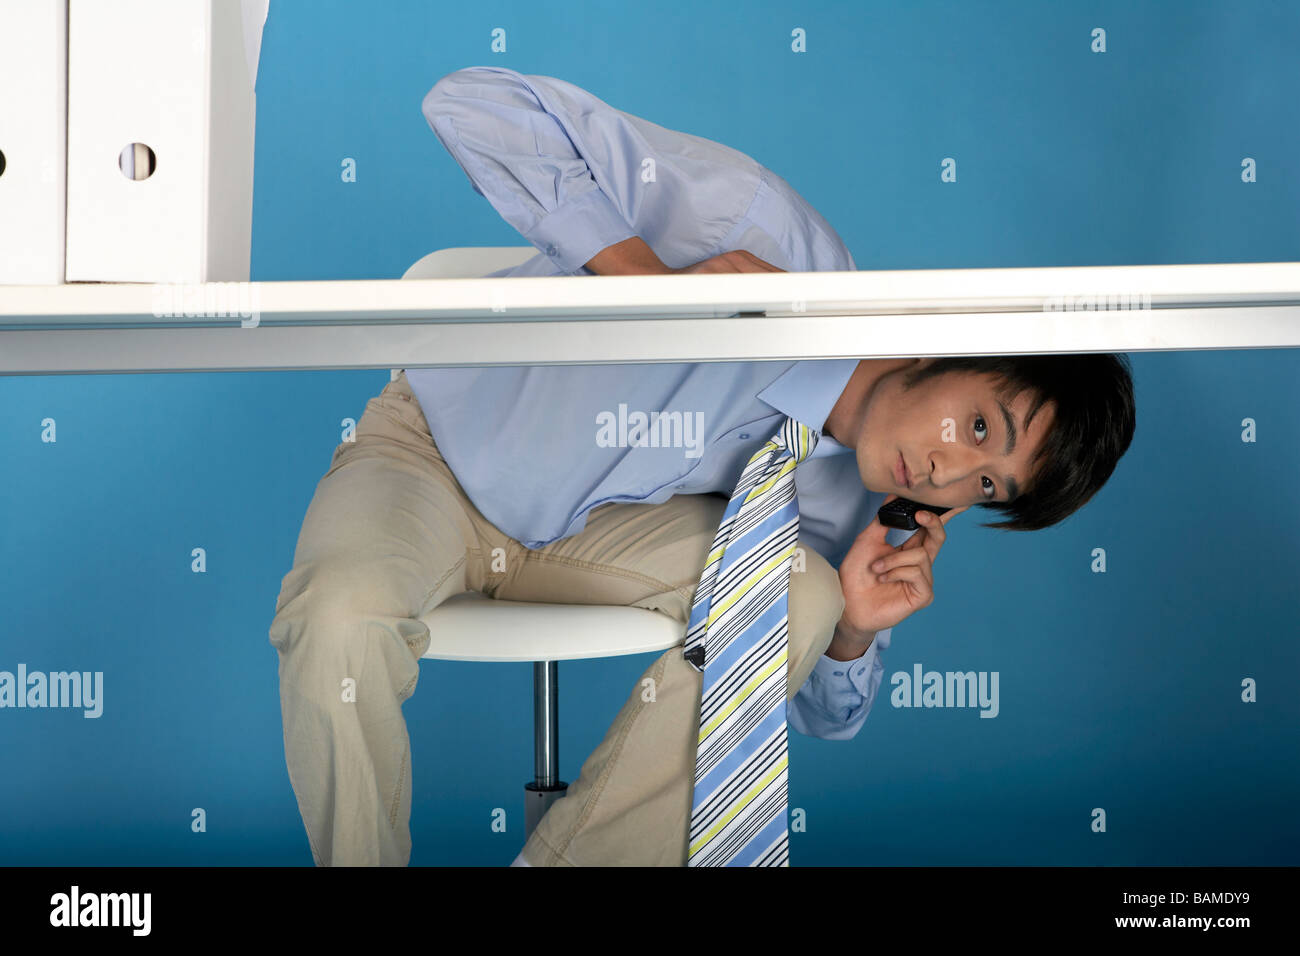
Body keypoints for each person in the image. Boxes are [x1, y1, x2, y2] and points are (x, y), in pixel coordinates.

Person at [268, 67, 1136, 867]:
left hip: (592, 536)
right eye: (978, 422)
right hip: (437, 454)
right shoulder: (755, 227)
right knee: (340, 613)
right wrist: (646, 281)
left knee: (806, 591)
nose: (947, 467)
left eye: (985, 484)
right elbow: (468, 102)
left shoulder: (852, 501)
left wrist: (852, 631)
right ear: (951, 344)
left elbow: (817, 714)